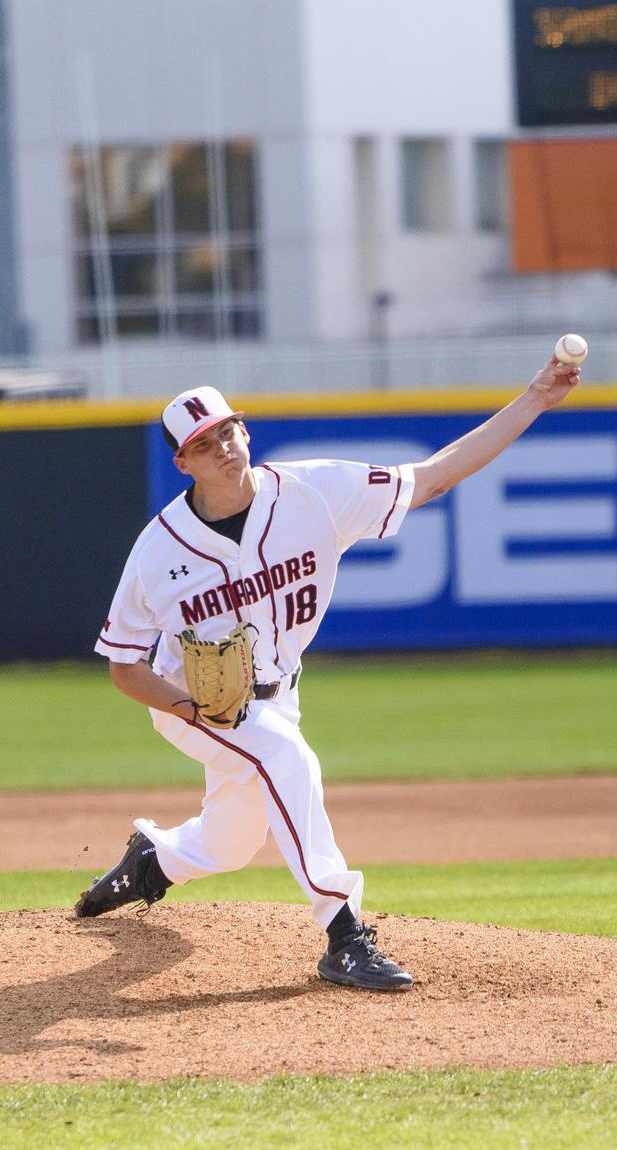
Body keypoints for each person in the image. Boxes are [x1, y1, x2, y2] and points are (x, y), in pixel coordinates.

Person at [75, 352, 583, 990]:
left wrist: (534, 398)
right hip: (191, 704)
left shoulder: (313, 493)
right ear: (183, 463)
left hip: (278, 696)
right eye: (204, 444)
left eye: (229, 430)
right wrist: (189, 708)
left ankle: (154, 860)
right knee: (288, 759)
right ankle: (343, 934)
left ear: (246, 430)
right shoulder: (158, 551)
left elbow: (432, 478)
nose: (223, 448)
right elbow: (124, 667)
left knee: (232, 842)